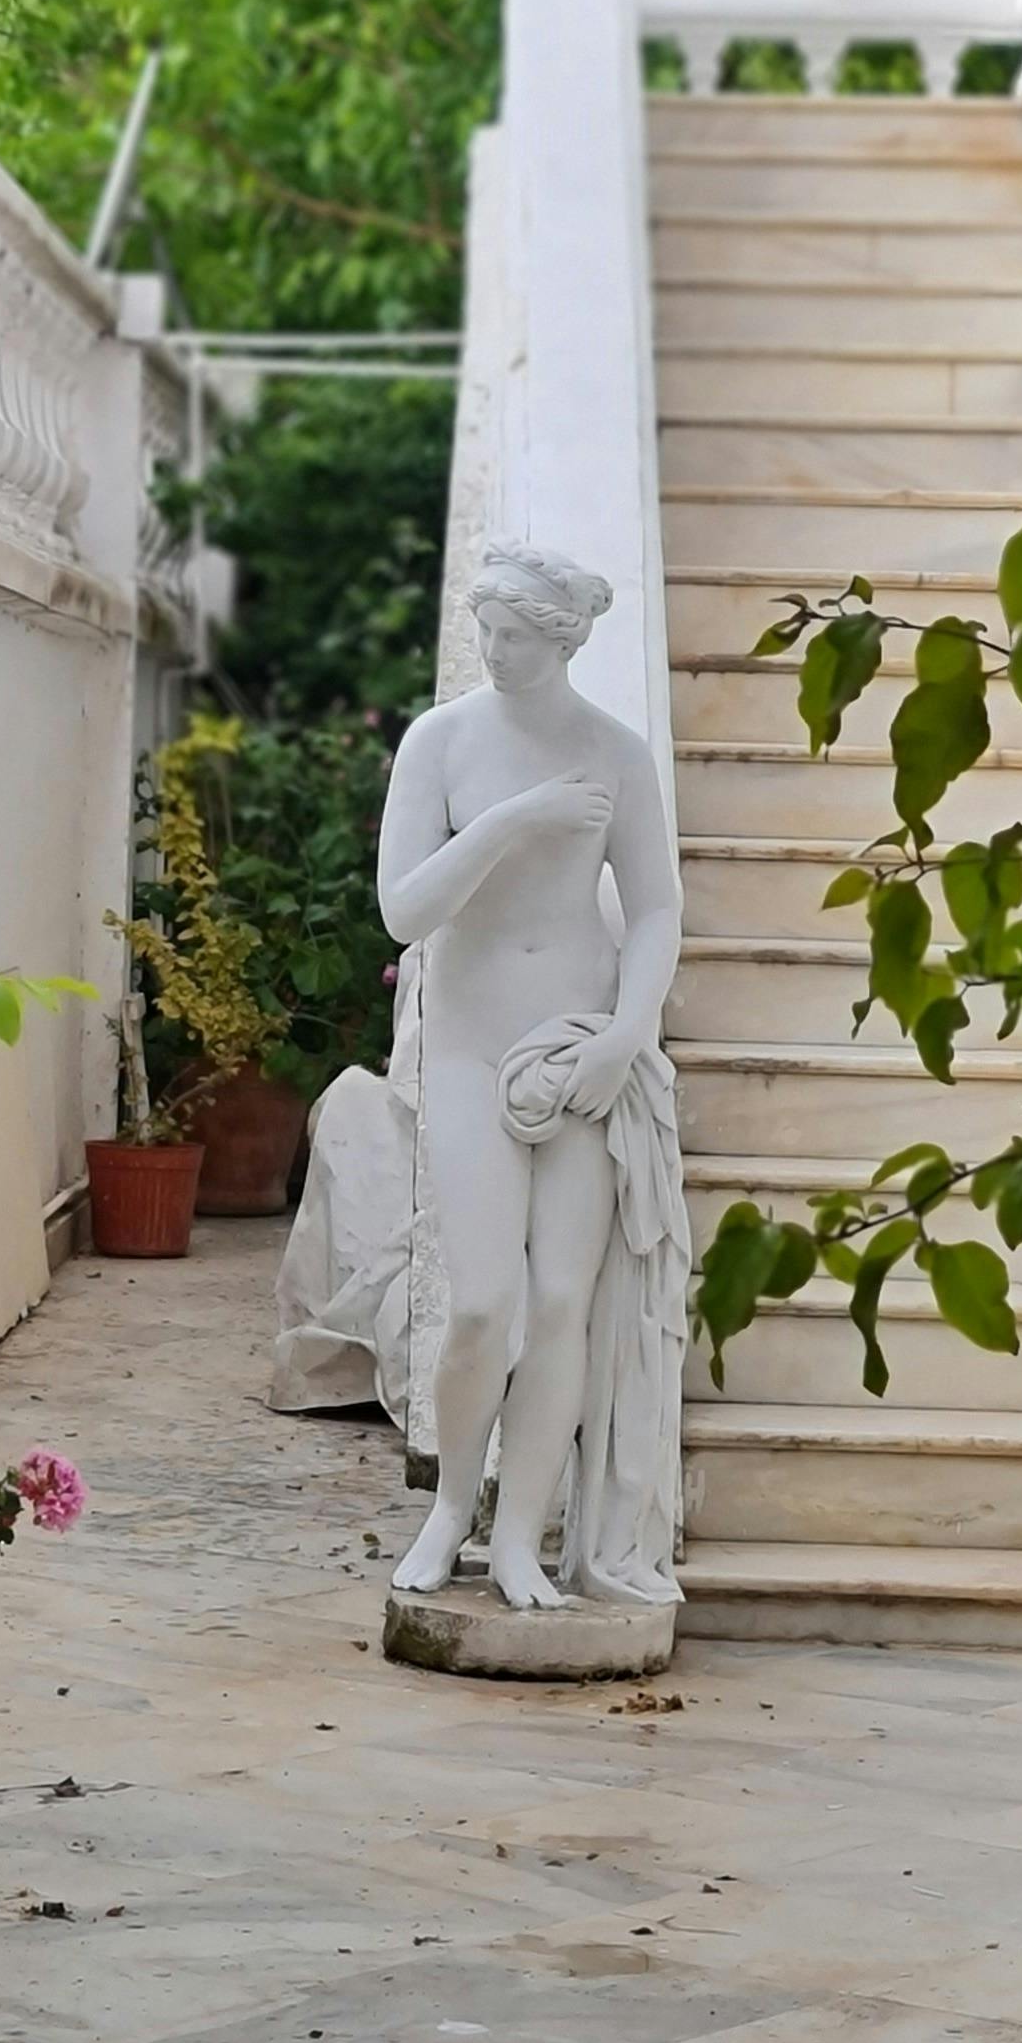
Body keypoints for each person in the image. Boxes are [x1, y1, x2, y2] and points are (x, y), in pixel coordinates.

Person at [377, 544, 685, 1609]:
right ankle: (450, 1509)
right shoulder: (443, 741)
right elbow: (405, 911)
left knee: (560, 1301)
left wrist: (623, 1035)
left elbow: (652, 908)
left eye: (514, 636)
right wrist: (516, 819)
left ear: (562, 641)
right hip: (470, 1052)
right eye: (486, 632)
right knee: (482, 1304)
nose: (494, 652)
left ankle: (519, 1536)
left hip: (576, 1054)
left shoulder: (616, 753)